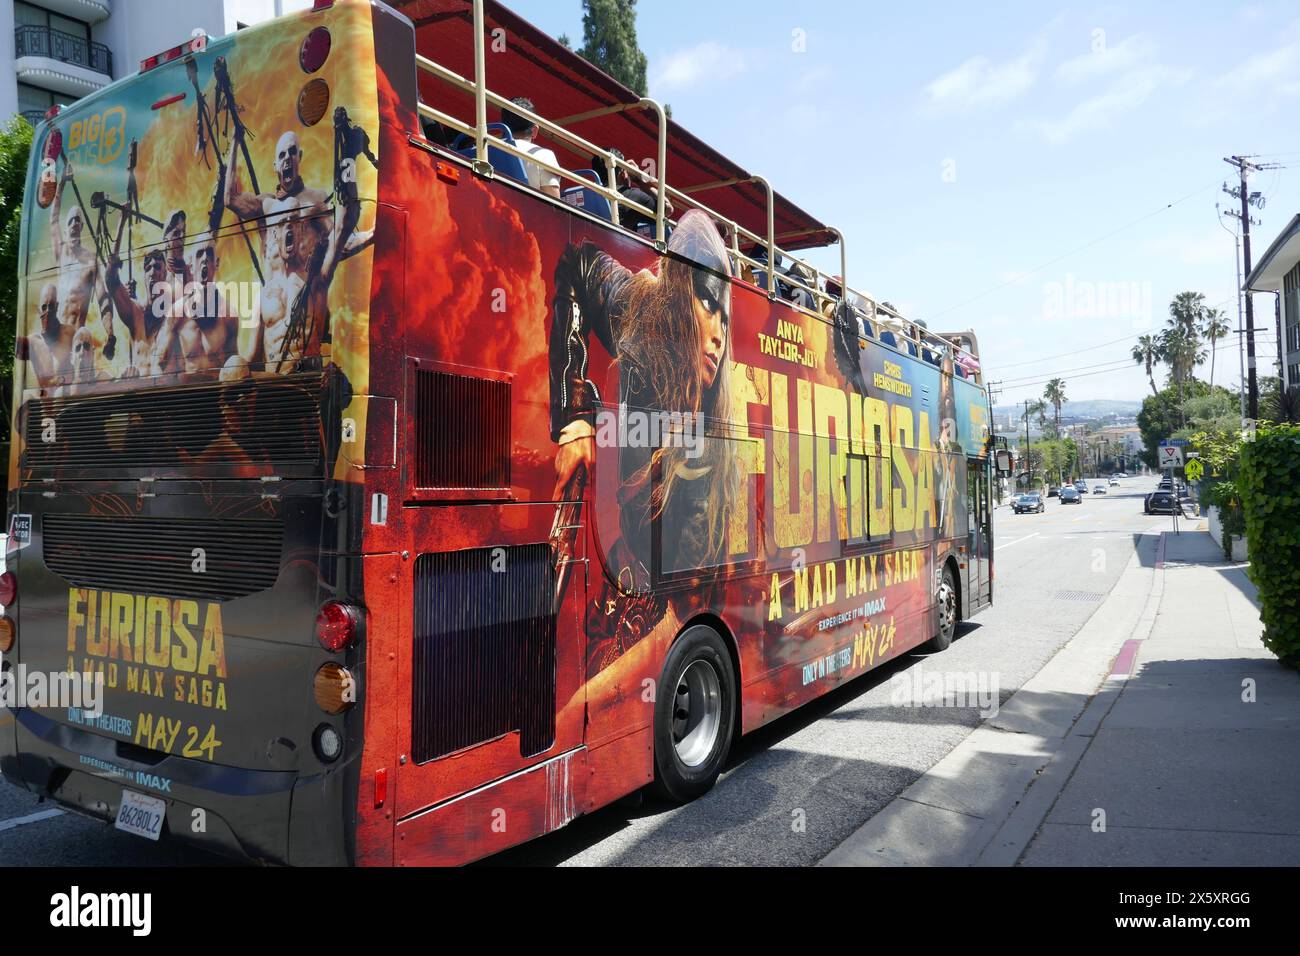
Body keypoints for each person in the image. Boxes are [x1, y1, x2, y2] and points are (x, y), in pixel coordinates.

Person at [594, 147, 674, 234]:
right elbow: (667, 208)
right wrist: (638, 179)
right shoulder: (631, 196)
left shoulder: (590, 192)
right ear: (622, 173)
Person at [501, 97, 561, 199]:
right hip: (525, 212)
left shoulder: (486, 148)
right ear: (534, 131)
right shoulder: (543, 154)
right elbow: (555, 204)